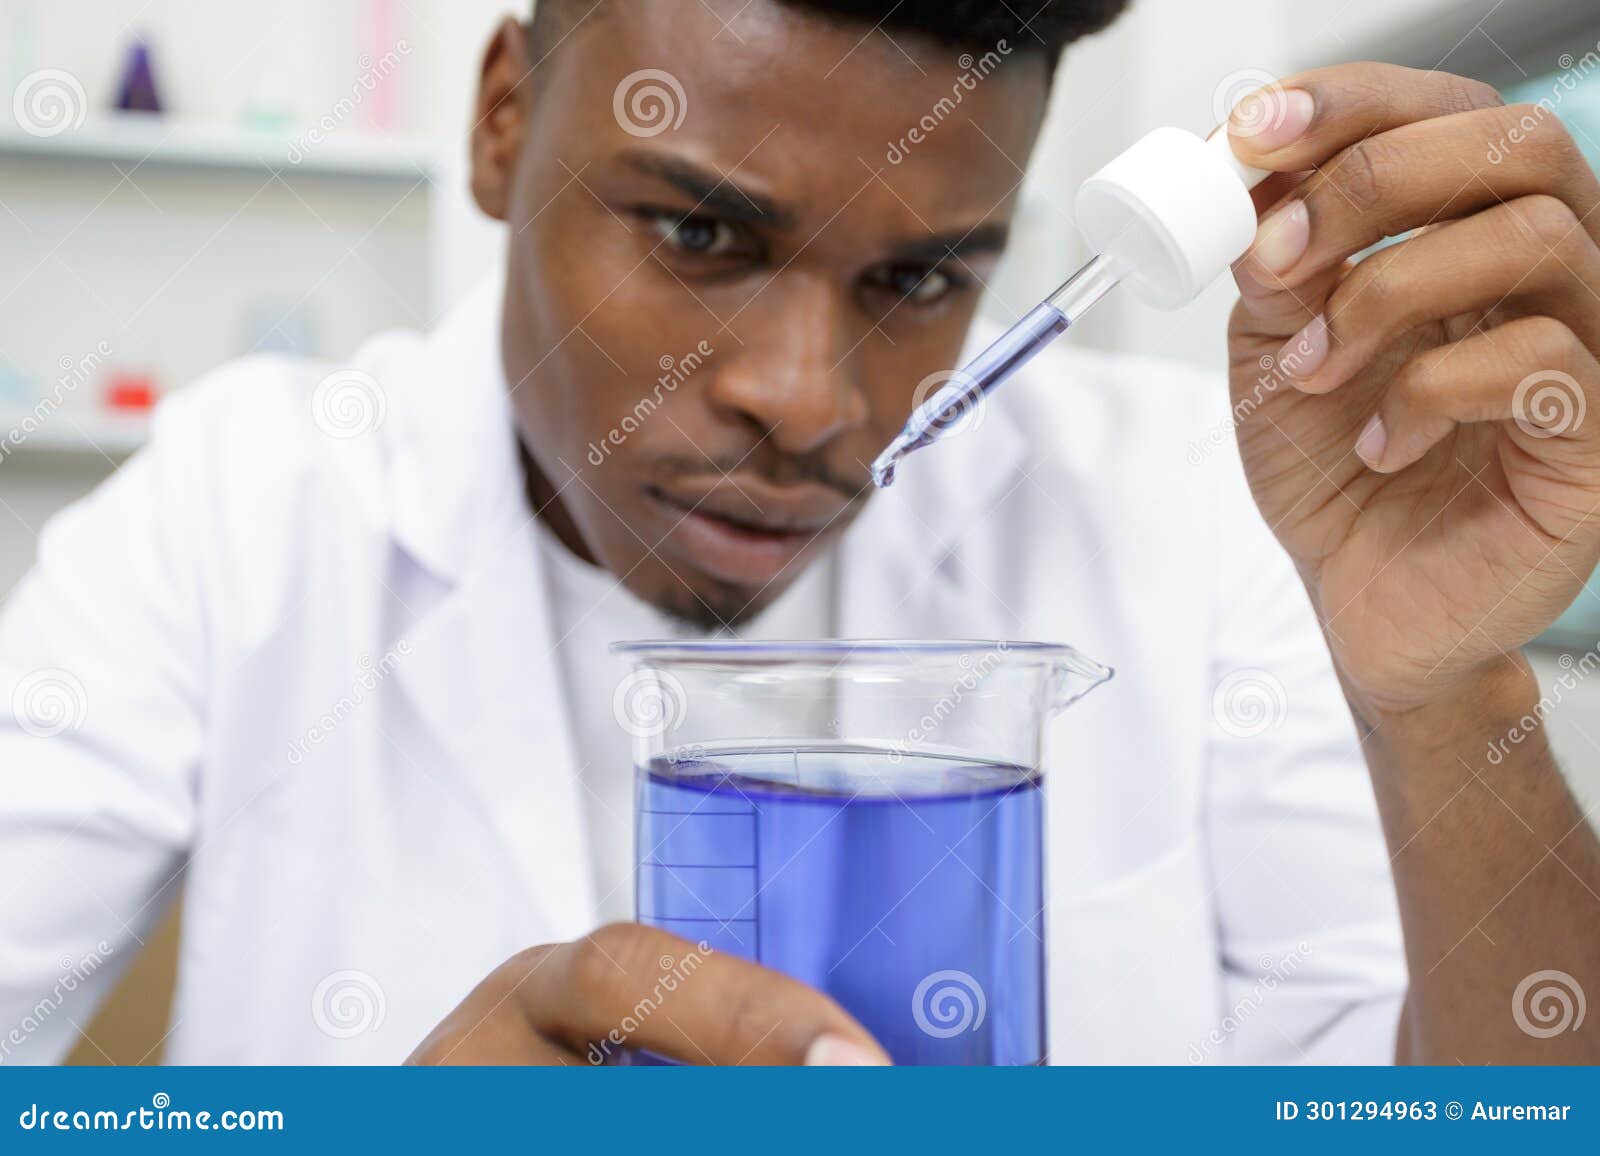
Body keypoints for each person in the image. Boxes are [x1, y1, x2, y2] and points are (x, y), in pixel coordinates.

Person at [3, 0, 1599, 1067]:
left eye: (921, 280)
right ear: (502, 123)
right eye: (699, 232)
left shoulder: (1208, 512)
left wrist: (1447, 700)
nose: (802, 398)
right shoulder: (251, 501)